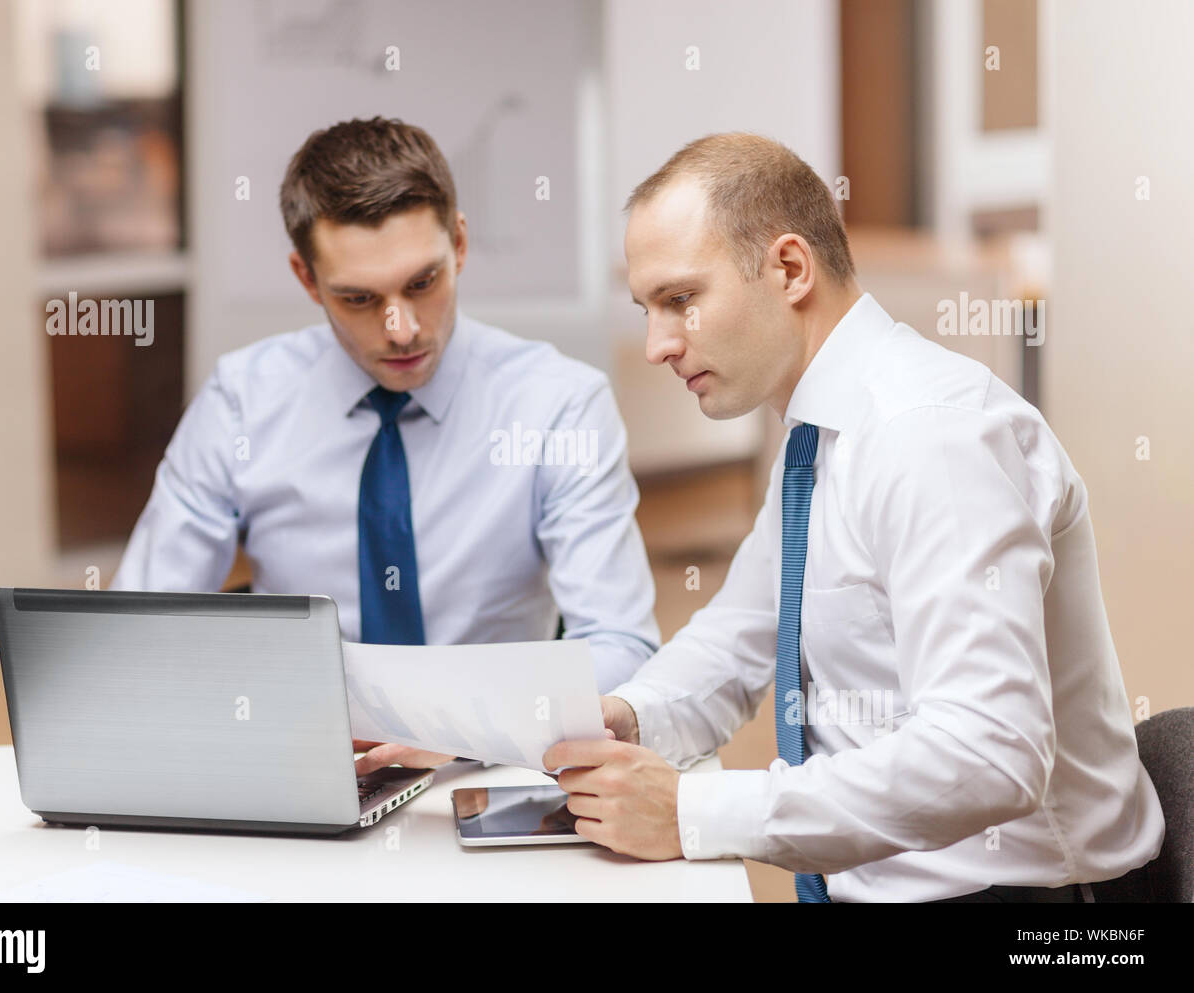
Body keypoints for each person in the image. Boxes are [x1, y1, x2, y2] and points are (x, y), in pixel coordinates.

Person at [544, 132, 1164, 903]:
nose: (657, 345)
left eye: (681, 301)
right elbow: (737, 637)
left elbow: (990, 752)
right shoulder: (818, 437)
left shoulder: (930, 437)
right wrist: (628, 717)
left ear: (790, 269)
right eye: (648, 309)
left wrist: (691, 810)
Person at [110, 116, 660, 775]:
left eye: (421, 283)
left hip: (493, 765)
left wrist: (458, 723)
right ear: (307, 279)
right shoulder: (241, 402)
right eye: (359, 298)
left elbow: (623, 644)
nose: (401, 329)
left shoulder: (558, 406)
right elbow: (137, 632)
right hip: (299, 761)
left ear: (458, 244)